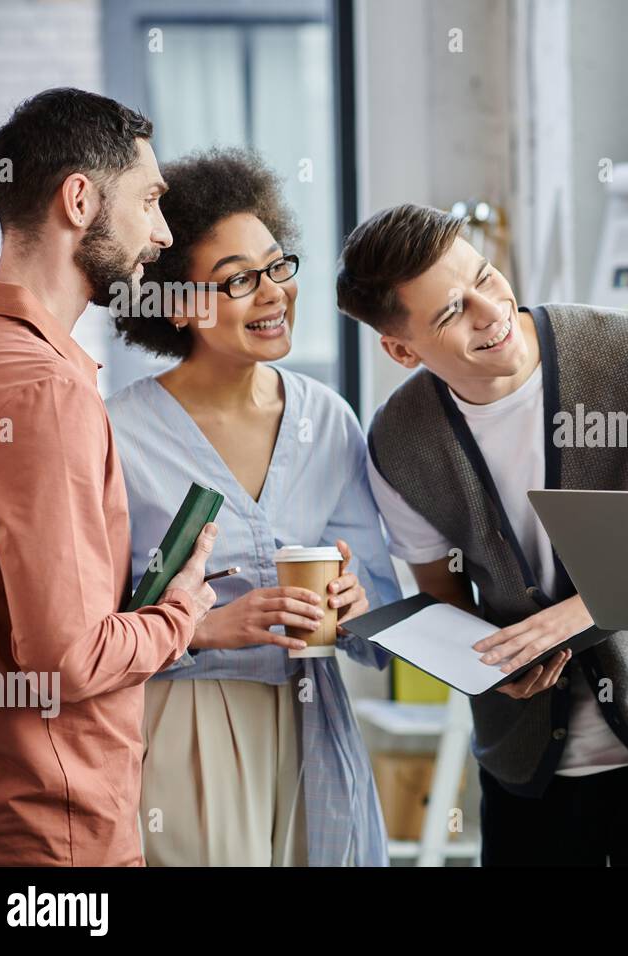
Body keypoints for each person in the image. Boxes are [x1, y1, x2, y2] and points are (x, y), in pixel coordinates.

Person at [337, 203, 628, 865]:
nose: (490, 313)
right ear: (402, 350)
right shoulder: (397, 443)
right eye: (450, 312)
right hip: (523, 770)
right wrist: (487, 663)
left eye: (486, 279)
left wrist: (579, 616)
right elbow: (443, 596)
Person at [106, 148, 400, 866]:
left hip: (313, 719)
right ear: (176, 305)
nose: (272, 293)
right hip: (184, 729)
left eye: (276, 266)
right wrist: (206, 628)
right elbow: (84, 630)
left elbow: (384, 612)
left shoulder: (327, 420)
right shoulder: (116, 434)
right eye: (237, 279)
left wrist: (359, 602)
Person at [0, 88, 218, 866]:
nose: (161, 233)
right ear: (80, 199)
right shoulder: (48, 393)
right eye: (149, 201)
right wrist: (180, 609)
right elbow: (66, 659)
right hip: (54, 830)